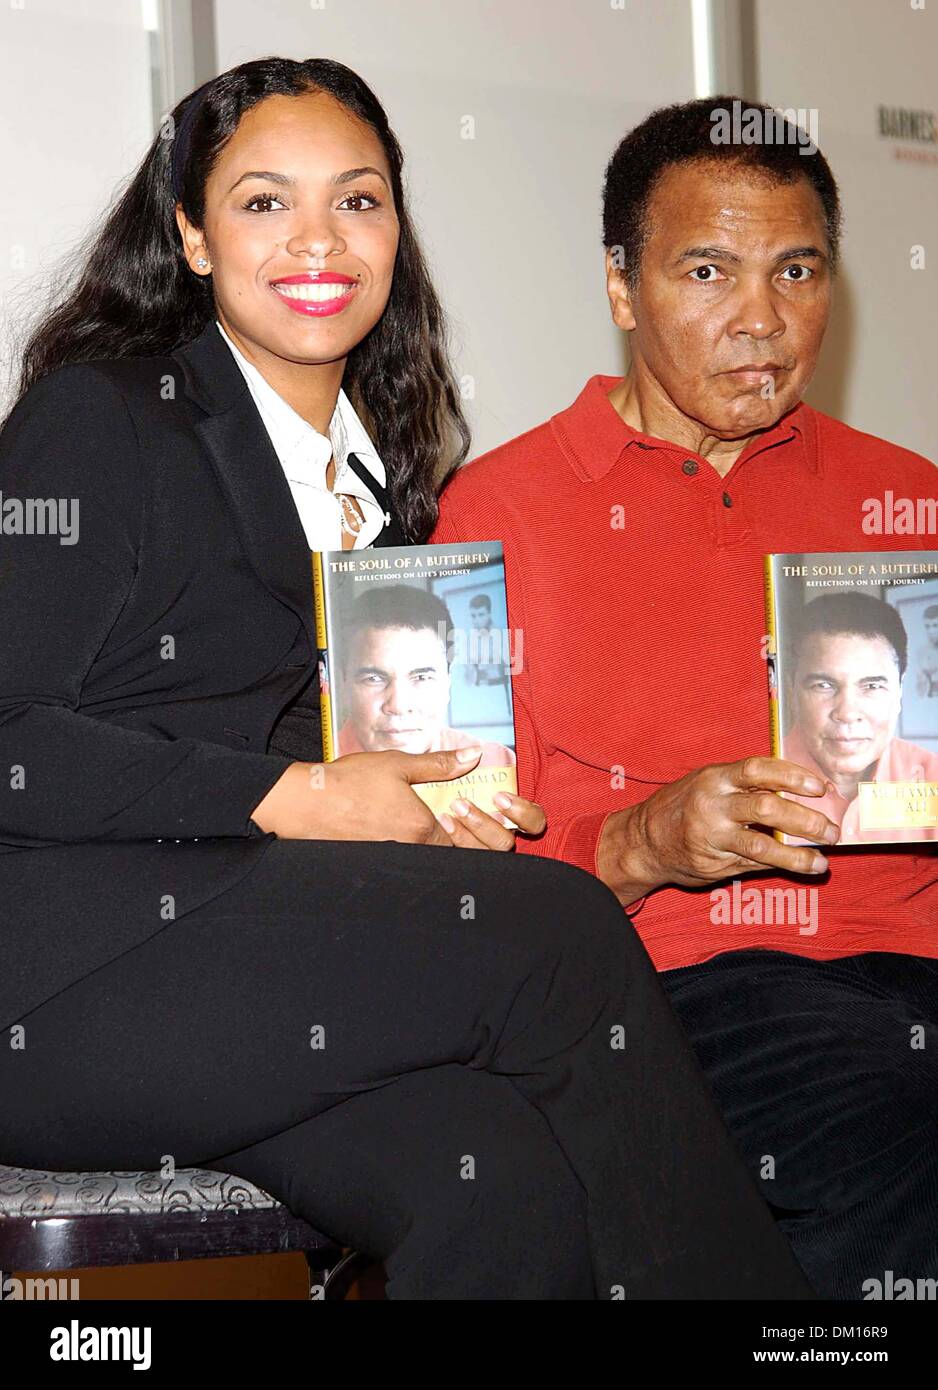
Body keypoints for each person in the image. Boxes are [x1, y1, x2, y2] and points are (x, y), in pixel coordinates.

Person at [0, 60, 814, 1301]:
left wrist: (428, 805)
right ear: (190, 235)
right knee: (552, 937)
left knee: (490, 1169)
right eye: (266, 203)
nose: (319, 240)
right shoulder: (104, 419)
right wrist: (300, 794)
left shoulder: (381, 483)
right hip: (64, 982)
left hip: (237, 986)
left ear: (396, 230)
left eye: (360, 201)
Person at [432, 95, 938, 1300]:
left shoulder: (904, 499)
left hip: (912, 961)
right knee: (899, 1116)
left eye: (795, 269)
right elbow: (452, 879)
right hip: (678, 984)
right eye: (705, 270)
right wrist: (645, 836)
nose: (758, 320)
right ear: (621, 286)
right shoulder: (492, 518)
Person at [781, 593, 938, 843]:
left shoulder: (934, 777)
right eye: (823, 685)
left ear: (900, 691)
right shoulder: (753, 787)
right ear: (791, 690)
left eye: (872, 686)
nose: (847, 713)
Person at [335, 584, 515, 767]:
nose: (398, 706)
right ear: (343, 685)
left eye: (422, 677)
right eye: (373, 679)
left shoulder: (499, 764)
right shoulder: (314, 771)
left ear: (447, 683)